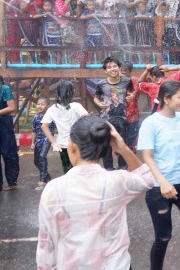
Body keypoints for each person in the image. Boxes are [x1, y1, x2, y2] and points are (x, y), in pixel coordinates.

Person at [36, 116, 154, 270]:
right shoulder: (118, 181)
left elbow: (47, 243)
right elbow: (147, 179)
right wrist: (123, 148)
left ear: (73, 146)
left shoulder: (54, 189)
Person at [137, 80, 180, 270]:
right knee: (163, 236)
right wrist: (163, 182)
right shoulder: (150, 124)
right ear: (166, 99)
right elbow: (147, 157)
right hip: (160, 188)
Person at [93, 57, 135, 170]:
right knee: (106, 146)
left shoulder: (126, 81)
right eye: (109, 67)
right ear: (105, 71)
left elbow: (132, 92)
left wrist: (132, 96)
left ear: (119, 68)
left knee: (122, 144)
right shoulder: (101, 84)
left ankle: (122, 168)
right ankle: (109, 169)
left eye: (115, 66)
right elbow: (96, 98)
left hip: (122, 118)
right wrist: (99, 104)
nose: (112, 69)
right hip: (105, 118)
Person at [42, 80, 89, 175]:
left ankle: (69, 187)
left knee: (67, 169)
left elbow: (44, 126)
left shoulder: (52, 108)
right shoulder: (76, 106)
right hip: (77, 143)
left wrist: (53, 142)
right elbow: (87, 118)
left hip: (62, 144)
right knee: (79, 168)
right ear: (72, 92)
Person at [155, 0, 180, 64]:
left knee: (178, 43)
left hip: (177, 25)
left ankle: (178, 61)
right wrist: (166, 7)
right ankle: (169, 61)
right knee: (168, 42)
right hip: (167, 25)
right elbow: (159, 12)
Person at [32, 97, 53, 190]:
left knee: (42, 157)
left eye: (42, 104)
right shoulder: (35, 117)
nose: (40, 106)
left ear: (48, 106)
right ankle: (47, 176)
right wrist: (32, 142)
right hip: (38, 140)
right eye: (38, 104)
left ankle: (42, 181)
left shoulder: (50, 116)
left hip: (47, 139)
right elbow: (34, 131)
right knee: (36, 161)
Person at [0, 75, 17, 191]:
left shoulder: (5, 89)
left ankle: (11, 181)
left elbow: (12, 108)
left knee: (8, 153)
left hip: (4, 122)